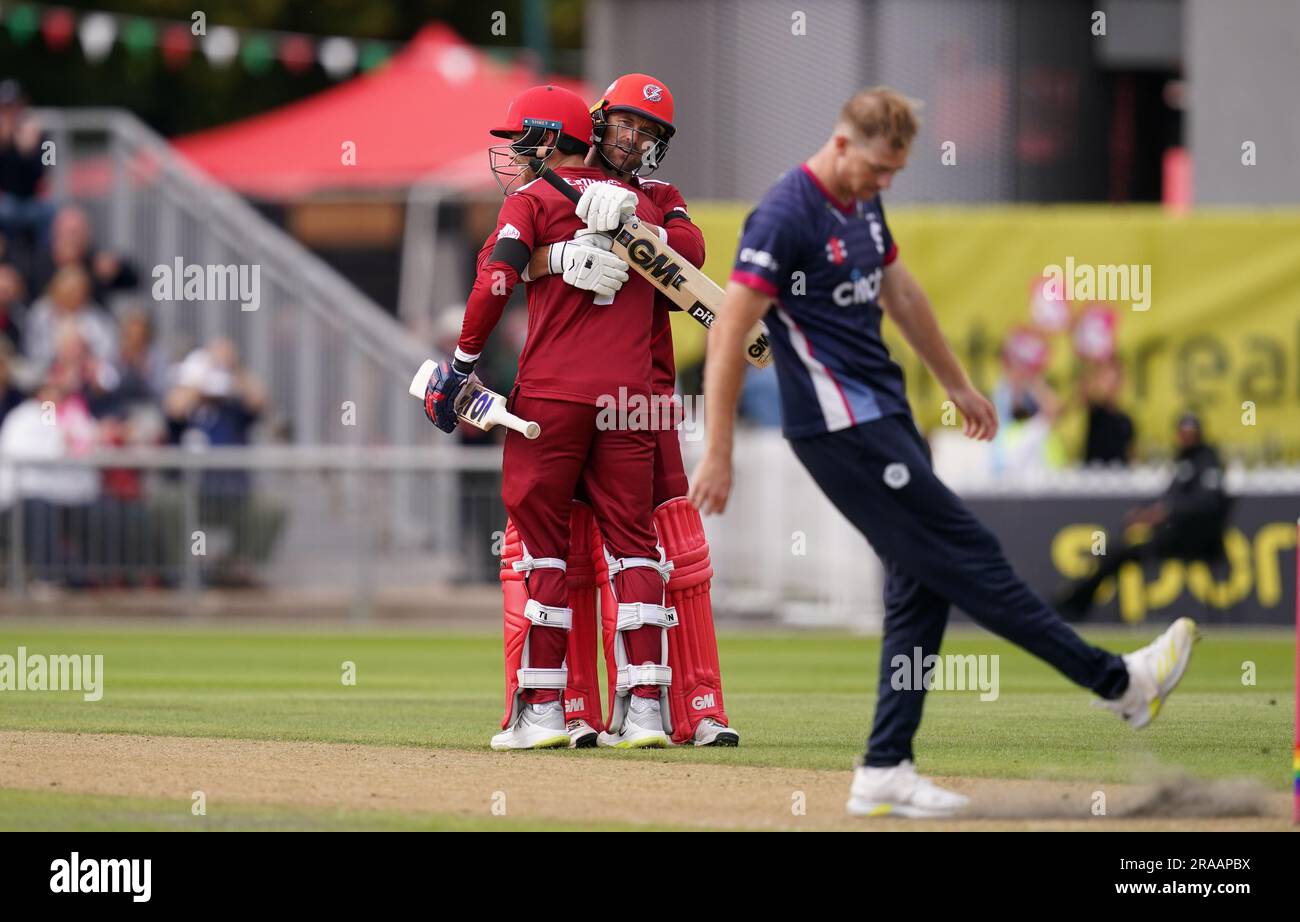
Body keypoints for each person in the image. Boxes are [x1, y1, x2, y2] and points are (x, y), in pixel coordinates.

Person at [688, 86, 1199, 818]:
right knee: (970, 554)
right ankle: (1119, 683)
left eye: (895, 173)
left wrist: (956, 383)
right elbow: (729, 328)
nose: (883, 183)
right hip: (839, 431)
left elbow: (900, 290)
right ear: (841, 144)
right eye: (875, 169)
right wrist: (719, 451)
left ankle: (886, 768)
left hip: (888, 418)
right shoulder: (783, 213)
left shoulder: (863, 199)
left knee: (920, 590)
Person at [423, 85, 676, 750]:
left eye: (519, 142)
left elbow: (492, 284)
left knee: (543, 549)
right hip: (629, 397)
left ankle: (543, 709)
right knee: (634, 547)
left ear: (550, 139)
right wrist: (633, 233)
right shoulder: (648, 200)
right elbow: (692, 269)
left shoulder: (531, 200)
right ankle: (647, 706)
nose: (510, 156)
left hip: (552, 396)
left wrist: (460, 363)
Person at [513, 74, 739, 748]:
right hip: (560, 391)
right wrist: (555, 256)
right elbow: (500, 261)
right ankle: (566, 708)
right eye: (626, 125)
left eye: (649, 133)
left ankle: (687, 707)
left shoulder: (661, 198)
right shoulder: (549, 190)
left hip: (643, 398)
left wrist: (633, 224)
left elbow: (690, 264)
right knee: (558, 550)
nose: (633, 140)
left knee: (674, 549)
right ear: (600, 121)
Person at [1056, 412, 1230, 620]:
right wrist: (1146, 512)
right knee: (1116, 550)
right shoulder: (1183, 460)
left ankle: (1075, 604)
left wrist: (1166, 512)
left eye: (1190, 433)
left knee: (1120, 553)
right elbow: (1168, 497)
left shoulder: (1207, 460)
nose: (1186, 437)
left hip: (1197, 540)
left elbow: (1207, 504)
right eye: (1183, 432)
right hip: (1173, 536)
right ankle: (1076, 601)